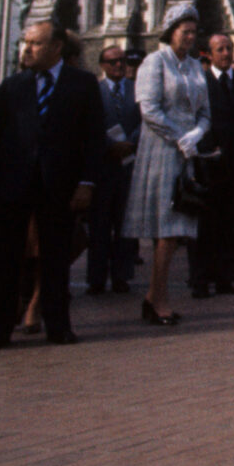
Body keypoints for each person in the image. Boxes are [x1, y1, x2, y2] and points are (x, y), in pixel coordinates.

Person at [0, 21, 108, 348]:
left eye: (35, 43)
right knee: (7, 258)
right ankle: (0, 329)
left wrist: (86, 182)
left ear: (56, 48)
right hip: (14, 185)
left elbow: (93, 139)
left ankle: (58, 325)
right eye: (25, 42)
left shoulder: (82, 84)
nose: (27, 49)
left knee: (55, 258)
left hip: (59, 185)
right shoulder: (12, 86)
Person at [123, 3, 209, 326]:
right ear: (171, 32)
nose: (189, 36)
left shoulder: (195, 67)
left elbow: (204, 112)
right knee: (166, 229)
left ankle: (154, 297)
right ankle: (157, 298)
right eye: (184, 31)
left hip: (186, 151)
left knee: (175, 230)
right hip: (160, 150)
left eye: (193, 31)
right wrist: (179, 137)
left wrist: (197, 133)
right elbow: (149, 110)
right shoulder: (154, 62)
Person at [190, 32, 234, 297]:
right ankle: (200, 280)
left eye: (229, 48)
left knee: (233, 223)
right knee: (205, 225)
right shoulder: (201, 82)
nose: (226, 53)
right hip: (210, 164)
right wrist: (207, 147)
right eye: (220, 49)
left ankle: (229, 278)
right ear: (208, 54)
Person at [85, 43, 139, 295]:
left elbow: (145, 119)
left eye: (122, 60)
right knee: (99, 226)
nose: (119, 65)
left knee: (126, 226)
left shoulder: (136, 89)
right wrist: (111, 145)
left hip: (129, 166)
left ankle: (122, 276)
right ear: (103, 65)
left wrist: (132, 142)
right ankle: (96, 277)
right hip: (104, 167)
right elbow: (89, 125)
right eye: (113, 61)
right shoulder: (94, 91)